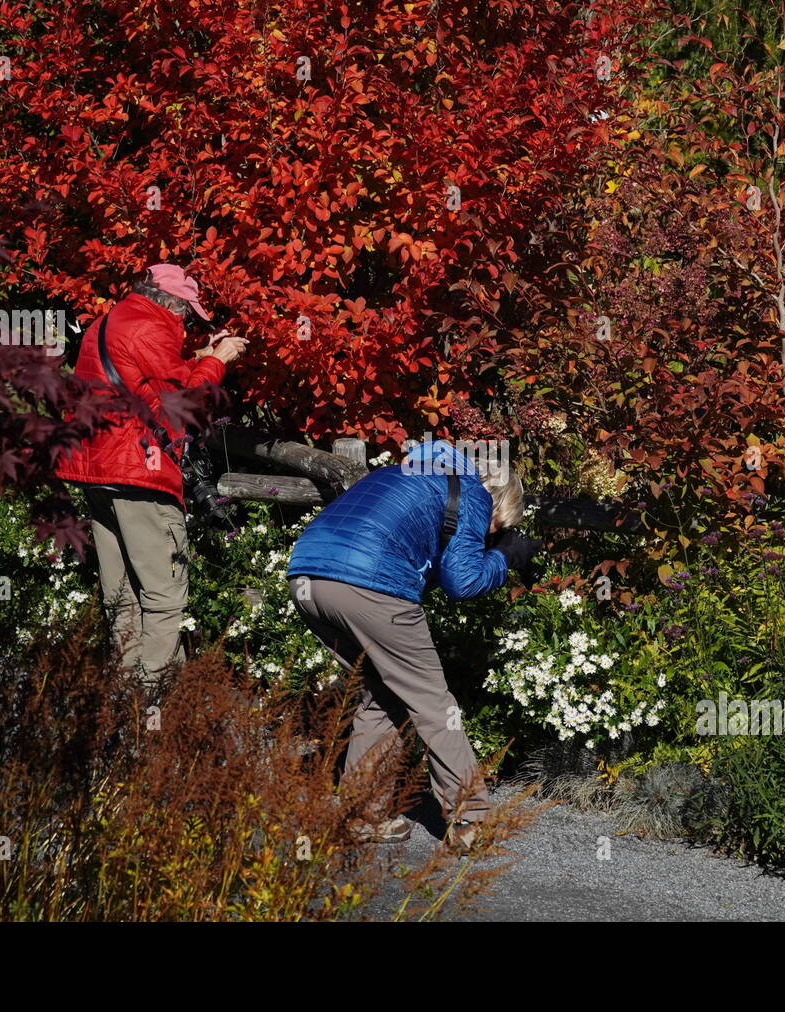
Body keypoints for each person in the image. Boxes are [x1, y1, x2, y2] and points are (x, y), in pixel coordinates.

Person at [286, 438, 543, 851]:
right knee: (433, 703)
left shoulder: (402, 473)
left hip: (306, 578)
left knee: (380, 692)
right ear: (495, 502)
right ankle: (470, 820)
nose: (490, 537)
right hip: (369, 584)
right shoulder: (474, 490)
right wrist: (506, 557)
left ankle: (361, 816)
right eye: (496, 529)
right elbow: (463, 581)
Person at [56, 264, 248, 692]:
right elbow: (184, 403)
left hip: (98, 471)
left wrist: (199, 356)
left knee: (120, 593)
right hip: (138, 472)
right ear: (172, 302)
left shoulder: (109, 322)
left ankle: (123, 700)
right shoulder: (150, 328)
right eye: (185, 312)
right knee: (164, 596)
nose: (184, 320)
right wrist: (218, 362)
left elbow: (149, 379)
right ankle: (154, 703)